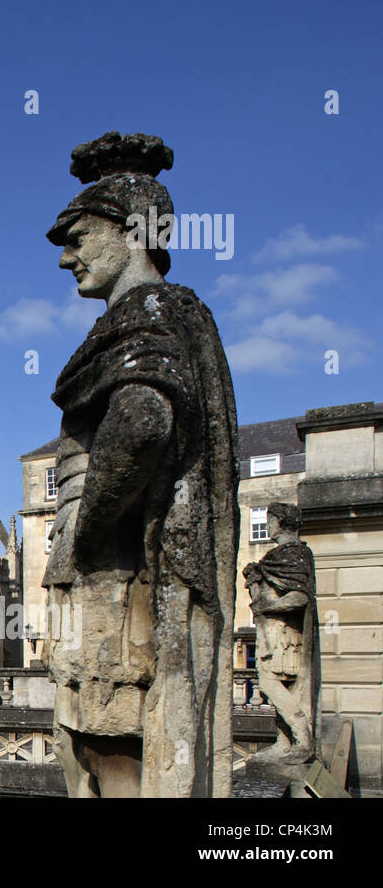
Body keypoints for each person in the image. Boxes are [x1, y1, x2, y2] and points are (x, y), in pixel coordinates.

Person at [42, 132, 240, 798]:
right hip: (121, 592)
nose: (68, 256)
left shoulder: (149, 316)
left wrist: (88, 530)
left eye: (79, 235)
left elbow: (143, 422)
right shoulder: (178, 316)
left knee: (110, 747)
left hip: (119, 593)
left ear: (132, 232)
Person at [243, 503, 318, 764]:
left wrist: (269, 605)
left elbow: (299, 597)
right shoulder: (276, 558)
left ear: (282, 522)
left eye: (270, 519)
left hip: (284, 634)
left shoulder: (295, 555)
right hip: (271, 632)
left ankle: (303, 737)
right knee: (280, 684)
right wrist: (255, 580)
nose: (268, 525)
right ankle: (284, 743)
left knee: (269, 683)